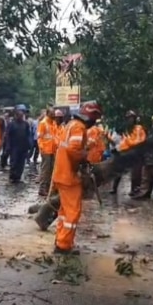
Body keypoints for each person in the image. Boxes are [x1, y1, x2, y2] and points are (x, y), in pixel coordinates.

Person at [52, 101, 103, 256]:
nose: (94, 120)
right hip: (69, 175)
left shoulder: (71, 124)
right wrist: (83, 159)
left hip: (62, 173)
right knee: (72, 212)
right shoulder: (78, 127)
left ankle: (61, 240)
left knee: (64, 211)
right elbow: (74, 150)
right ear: (89, 115)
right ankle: (64, 246)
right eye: (94, 117)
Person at [118, 111, 147, 196]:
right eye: (128, 118)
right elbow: (124, 144)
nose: (129, 120)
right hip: (132, 154)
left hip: (139, 154)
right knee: (134, 173)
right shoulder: (128, 130)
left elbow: (137, 142)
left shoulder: (138, 128)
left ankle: (137, 189)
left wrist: (128, 140)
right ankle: (134, 189)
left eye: (131, 118)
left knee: (137, 173)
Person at [37, 108, 64, 196]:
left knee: (51, 170)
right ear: (48, 114)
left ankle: (48, 188)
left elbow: (55, 136)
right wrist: (42, 147)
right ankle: (42, 188)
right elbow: (39, 137)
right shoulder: (43, 123)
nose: (54, 115)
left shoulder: (53, 123)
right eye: (52, 114)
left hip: (52, 150)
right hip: (46, 150)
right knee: (45, 170)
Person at [5, 105, 32, 183]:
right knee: (14, 162)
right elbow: (8, 135)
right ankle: (12, 176)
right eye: (19, 115)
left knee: (21, 163)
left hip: (23, 146)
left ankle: (18, 177)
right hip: (14, 146)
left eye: (21, 115)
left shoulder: (26, 124)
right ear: (16, 116)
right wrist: (8, 145)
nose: (20, 117)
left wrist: (29, 145)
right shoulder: (11, 124)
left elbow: (28, 135)